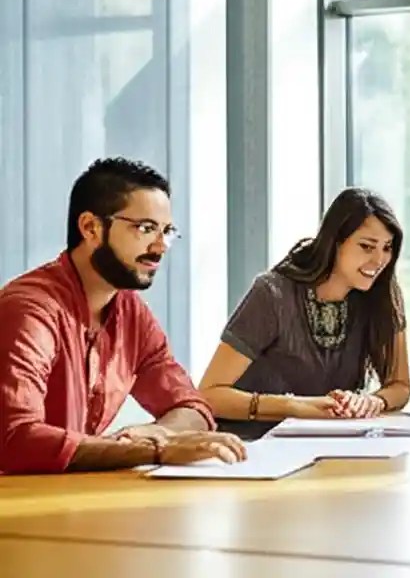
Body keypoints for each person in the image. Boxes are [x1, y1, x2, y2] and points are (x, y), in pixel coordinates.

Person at [0, 158, 246, 474]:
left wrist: (159, 435)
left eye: (167, 231)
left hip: (69, 500)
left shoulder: (129, 310)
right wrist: (154, 451)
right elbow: (15, 439)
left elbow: (190, 405)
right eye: (145, 228)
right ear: (90, 228)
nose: (160, 246)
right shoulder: (30, 311)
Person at [197, 188, 410, 439]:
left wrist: (374, 402)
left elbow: (400, 386)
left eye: (387, 248)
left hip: (331, 445)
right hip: (251, 447)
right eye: (366, 246)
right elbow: (209, 394)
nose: (379, 261)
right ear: (334, 242)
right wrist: (294, 407)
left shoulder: (383, 295)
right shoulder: (272, 294)